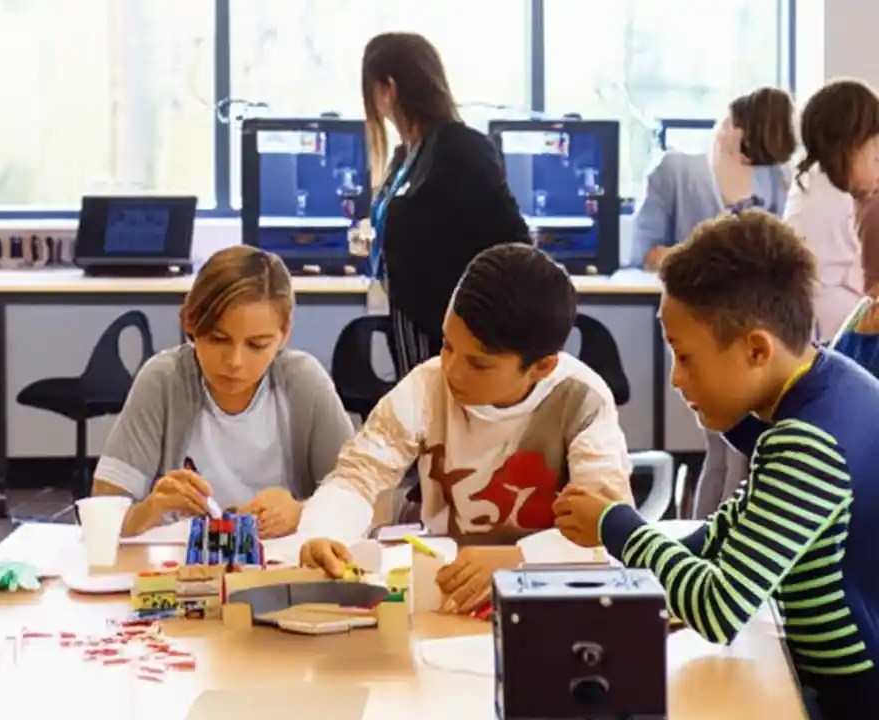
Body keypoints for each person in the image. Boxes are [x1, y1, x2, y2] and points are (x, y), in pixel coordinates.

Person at [554, 210, 879, 720]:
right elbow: (727, 535)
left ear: (755, 349)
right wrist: (640, 579)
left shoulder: (808, 443)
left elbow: (719, 608)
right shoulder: (827, 385)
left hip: (850, 700)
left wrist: (616, 525)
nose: (676, 381)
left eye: (685, 358)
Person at [297, 244, 632, 614]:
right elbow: (358, 477)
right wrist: (322, 534)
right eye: (447, 346)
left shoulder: (582, 399)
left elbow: (609, 529)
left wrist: (518, 558)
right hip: (447, 594)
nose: (453, 370)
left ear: (542, 367)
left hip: (551, 600)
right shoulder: (427, 385)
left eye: (479, 364)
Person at [91, 245, 354, 540]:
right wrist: (151, 508)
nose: (234, 362)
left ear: (285, 332)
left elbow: (364, 499)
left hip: (283, 571)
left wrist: (302, 511)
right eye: (218, 339)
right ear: (189, 321)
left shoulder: (303, 382)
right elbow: (102, 515)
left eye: (257, 345)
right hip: (180, 569)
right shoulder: (164, 380)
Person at [631, 88, 798, 518]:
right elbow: (644, 253)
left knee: (739, 455)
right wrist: (714, 264)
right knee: (723, 450)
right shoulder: (677, 171)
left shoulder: (782, 182)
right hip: (707, 332)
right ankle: (709, 549)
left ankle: (713, 550)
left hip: (759, 336)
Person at [360, 32, 531, 380]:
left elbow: (513, 242)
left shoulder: (462, 149)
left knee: (446, 423)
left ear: (387, 88)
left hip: (452, 322)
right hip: (410, 318)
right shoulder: (406, 155)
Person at [633, 87, 796, 270]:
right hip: (690, 294)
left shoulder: (779, 180)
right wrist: (713, 263)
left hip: (758, 297)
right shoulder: (673, 173)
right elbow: (647, 256)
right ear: (729, 130)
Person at [784, 78, 879, 340]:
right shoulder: (829, 201)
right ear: (849, 149)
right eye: (876, 159)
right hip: (827, 328)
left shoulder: (810, 185)